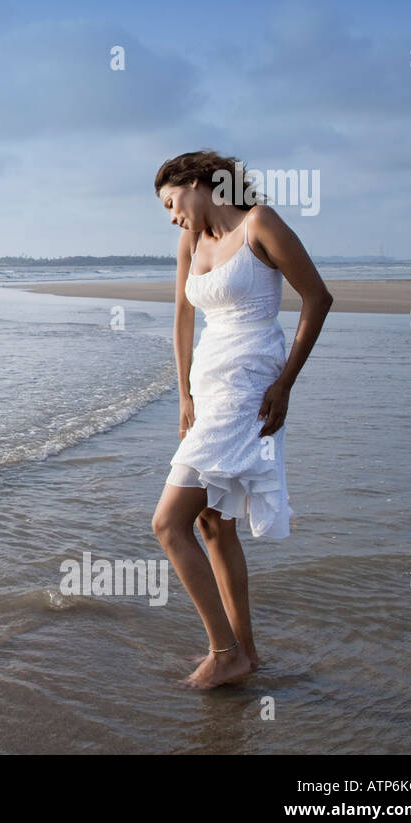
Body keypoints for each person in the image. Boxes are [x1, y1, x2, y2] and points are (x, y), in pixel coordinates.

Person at [151, 150, 333, 689]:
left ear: (199, 183)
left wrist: (286, 383)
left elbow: (317, 297)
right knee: (211, 522)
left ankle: (223, 651)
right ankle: (245, 654)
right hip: (207, 389)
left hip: (248, 387)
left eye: (171, 202)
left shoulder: (260, 224)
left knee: (168, 523)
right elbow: (184, 316)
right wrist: (183, 393)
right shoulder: (192, 241)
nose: (171, 216)